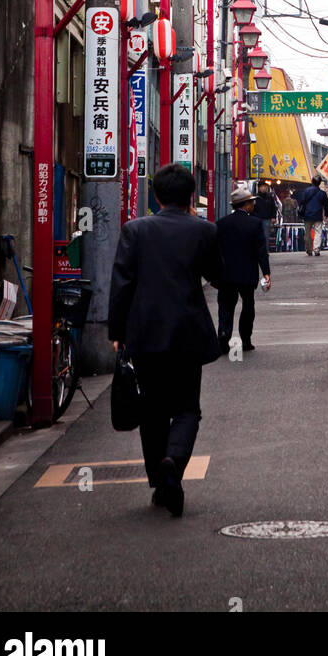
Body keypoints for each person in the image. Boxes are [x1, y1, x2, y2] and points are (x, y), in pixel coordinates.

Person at [108, 163, 222, 518]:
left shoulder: (135, 230)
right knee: (188, 407)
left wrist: (117, 331)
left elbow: (122, 283)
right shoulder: (204, 231)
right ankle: (175, 462)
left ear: (155, 195)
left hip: (145, 333)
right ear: (191, 196)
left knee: (152, 411)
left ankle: (159, 480)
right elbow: (216, 275)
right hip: (188, 332)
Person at [215, 186, 271, 353]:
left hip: (226, 274)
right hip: (247, 273)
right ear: (246, 204)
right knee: (248, 305)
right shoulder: (255, 224)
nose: (253, 205)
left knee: (226, 306)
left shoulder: (221, 224)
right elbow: (261, 251)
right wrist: (266, 272)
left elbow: (214, 250)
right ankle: (245, 340)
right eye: (251, 202)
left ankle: (224, 337)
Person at [297, 173, 328, 256]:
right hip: (318, 215)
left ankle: (308, 249)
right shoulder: (322, 193)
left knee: (307, 233)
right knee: (318, 232)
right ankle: (316, 249)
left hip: (307, 215)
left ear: (312, 182)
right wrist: (326, 213)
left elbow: (301, 202)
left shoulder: (306, 191)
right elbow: (326, 204)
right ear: (319, 183)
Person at [253, 179, 280, 249]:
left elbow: (273, 208)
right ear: (259, 188)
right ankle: (258, 251)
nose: (264, 188)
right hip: (257, 220)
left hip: (267, 220)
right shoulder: (255, 198)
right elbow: (252, 209)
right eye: (262, 187)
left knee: (266, 236)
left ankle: (265, 251)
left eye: (265, 186)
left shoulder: (270, 197)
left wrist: (273, 217)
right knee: (257, 236)